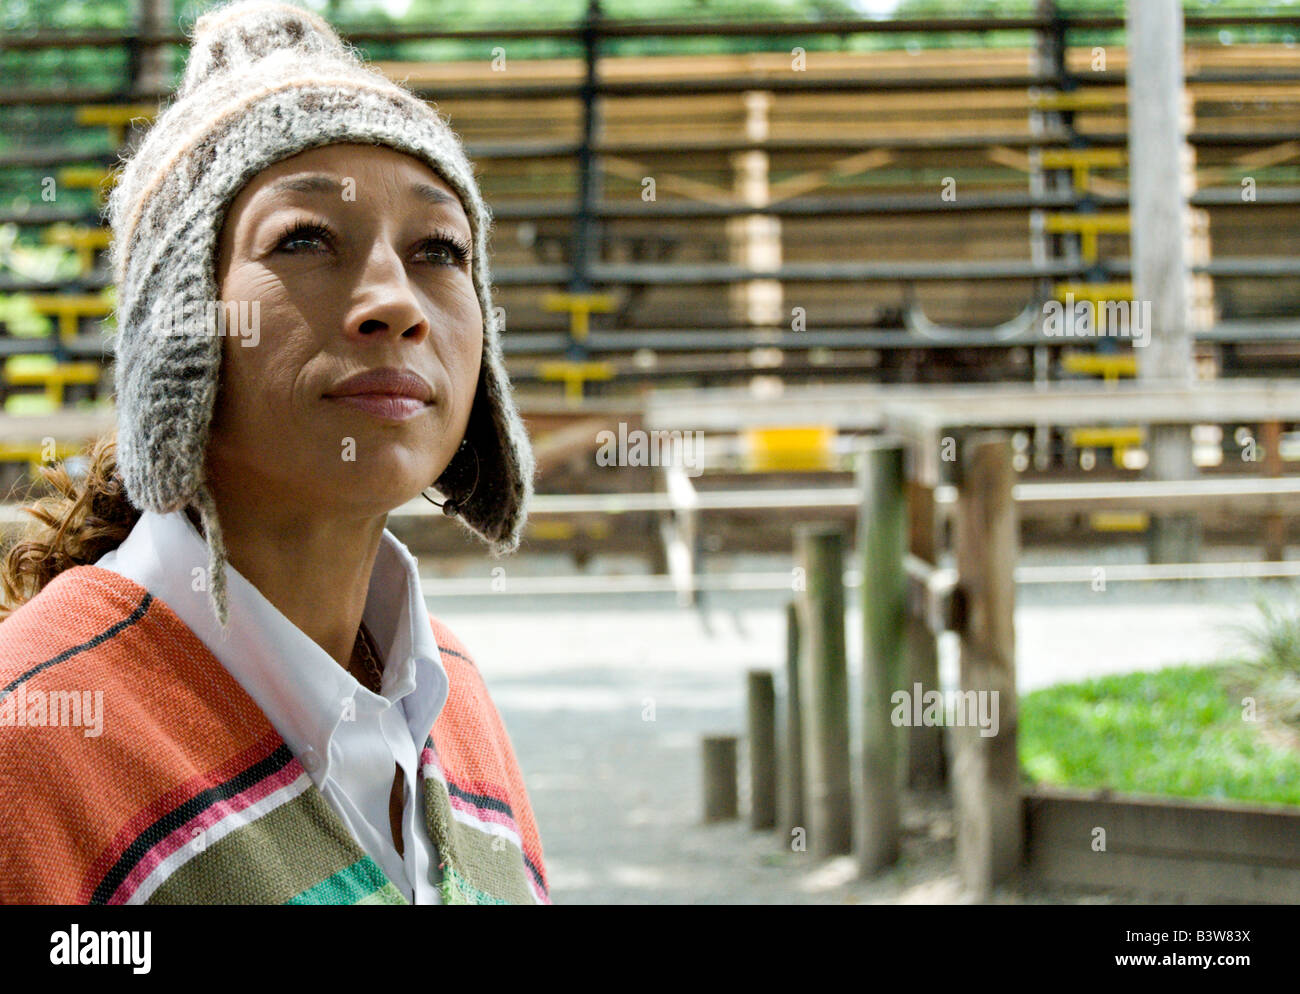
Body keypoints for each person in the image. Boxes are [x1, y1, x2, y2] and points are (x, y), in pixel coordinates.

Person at [0, 0, 548, 905]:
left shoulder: (455, 694)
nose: (395, 301)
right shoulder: (35, 741)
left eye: (439, 249)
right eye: (303, 240)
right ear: (176, 327)